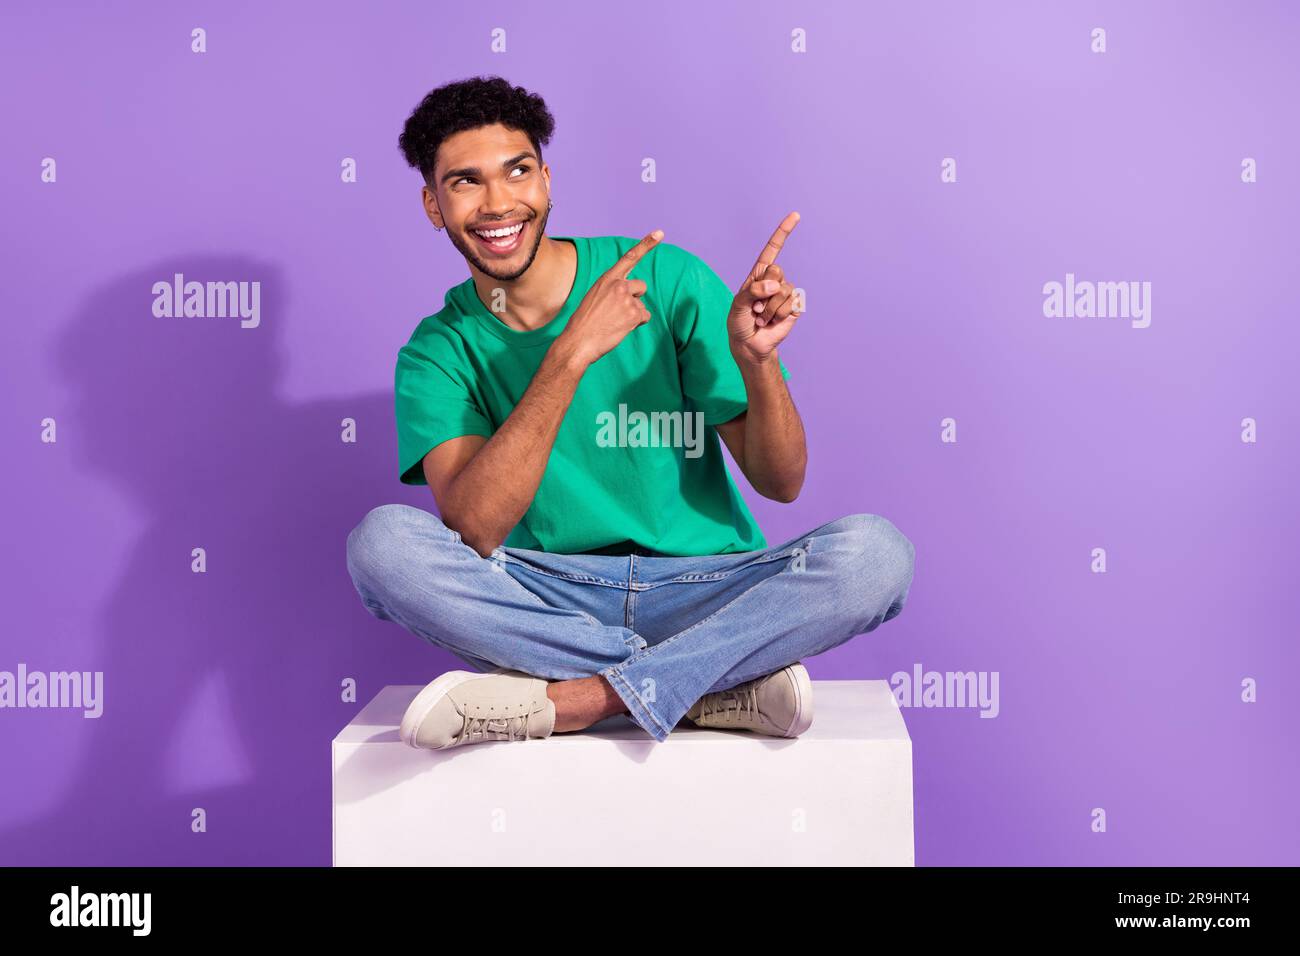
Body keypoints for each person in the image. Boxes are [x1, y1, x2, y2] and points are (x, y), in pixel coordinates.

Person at [345, 75, 915, 750]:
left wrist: (758, 364)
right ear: (433, 205)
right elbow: (472, 527)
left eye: (517, 171)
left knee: (876, 555)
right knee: (381, 548)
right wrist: (568, 356)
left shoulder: (666, 280)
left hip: (705, 589)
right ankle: (708, 685)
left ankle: (583, 699)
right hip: (549, 596)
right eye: (465, 182)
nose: (498, 202)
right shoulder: (436, 351)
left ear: (547, 180)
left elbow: (781, 481)